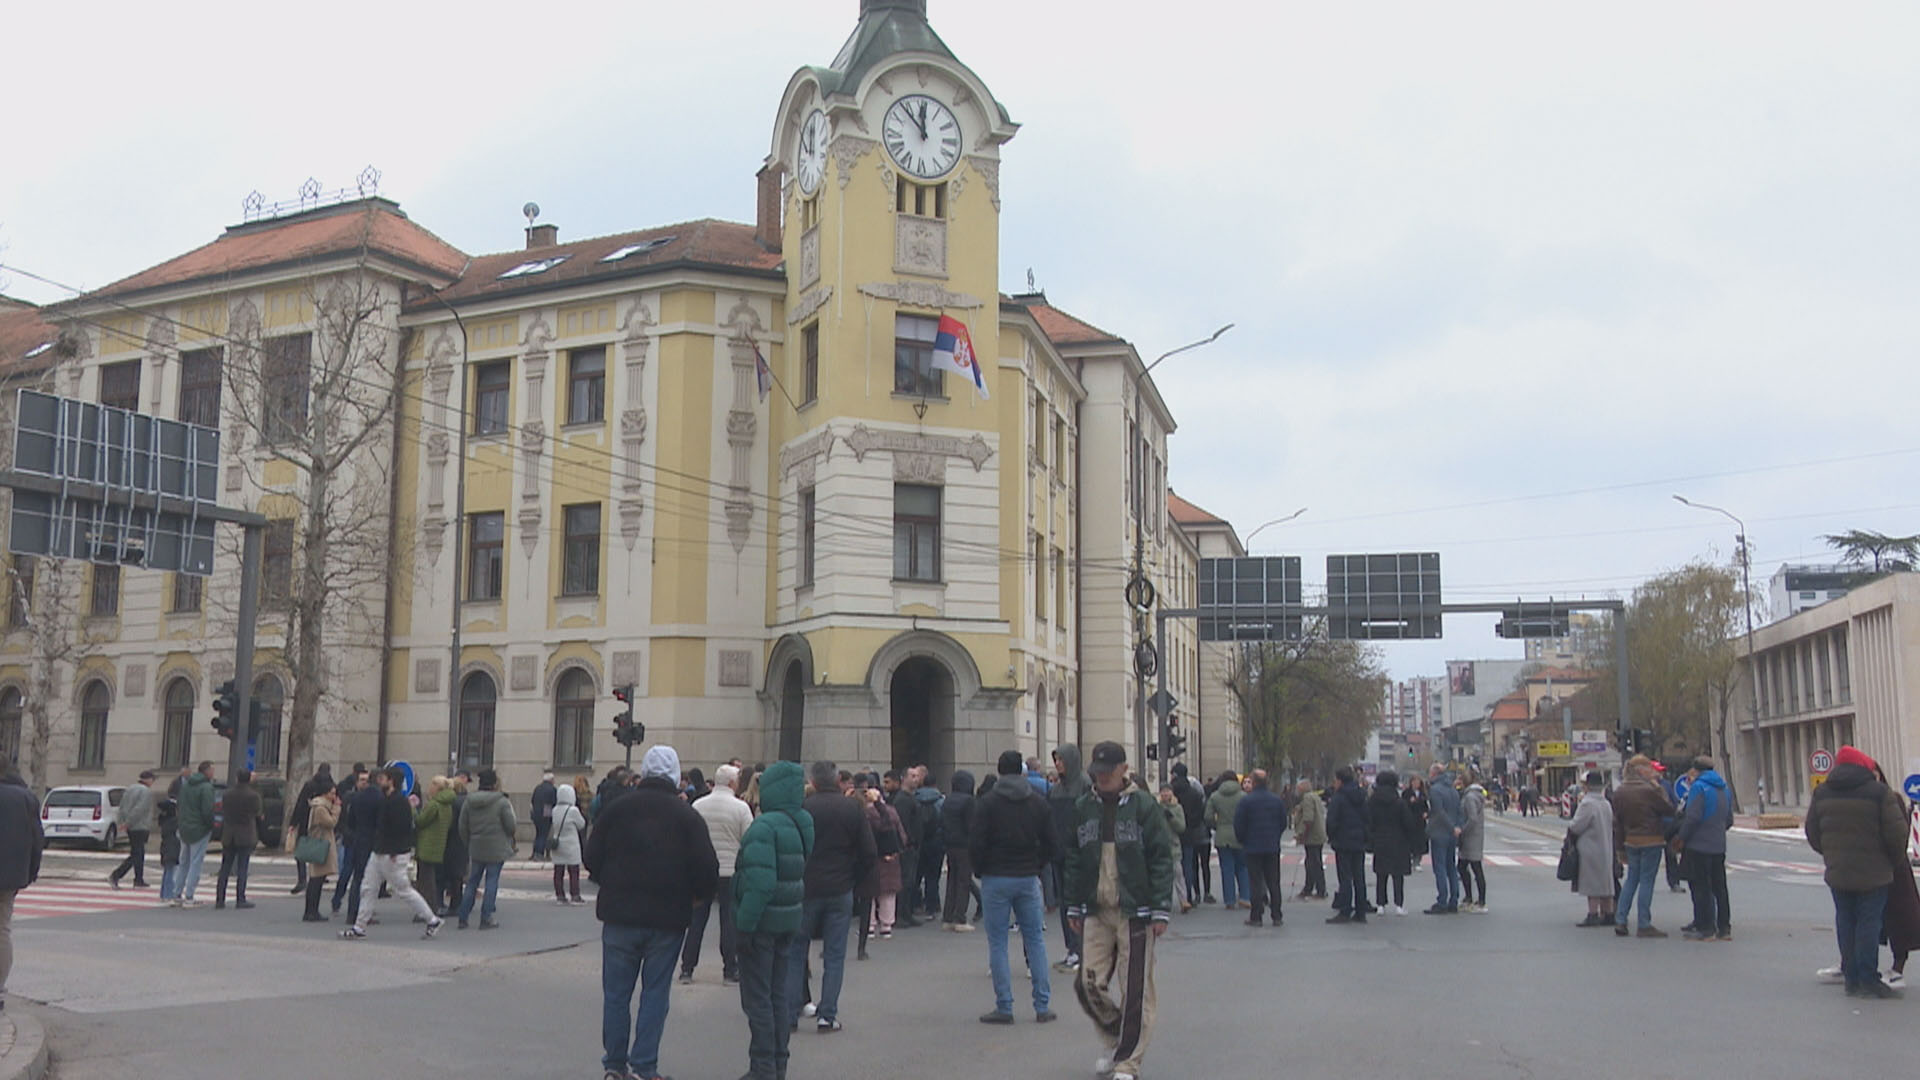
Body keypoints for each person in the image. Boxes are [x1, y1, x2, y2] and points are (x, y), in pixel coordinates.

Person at [583, 745, 718, 1080]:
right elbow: (707, 867)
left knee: (616, 994)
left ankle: (614, 1064)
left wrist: (608, 882)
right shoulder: (687, 816)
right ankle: (644, 1066)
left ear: (643, 773)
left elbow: (591, 856)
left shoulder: (617, 809)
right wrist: (697, 897)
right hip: (667, 919)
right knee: (655, 993)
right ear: (675, 776)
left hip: (619, 915)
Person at [1063, 742, 1174, 1080]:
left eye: (1108, 771)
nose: (1102, 777)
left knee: (1135, 987)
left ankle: (1127, 1061)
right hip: (1097, 908)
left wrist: (1159, 909)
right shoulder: (1084, 807)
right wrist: (1074, 903)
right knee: (1087, 983)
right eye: (1097, 771)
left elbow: (1160, 858)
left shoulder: (1143, 806)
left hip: (1135, 909)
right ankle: (1117, 1035)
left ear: (1123, 770)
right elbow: (1073, 858)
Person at [732, 760, 813, 1080]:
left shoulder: (764, 828)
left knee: (758, 1000)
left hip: (762, 922)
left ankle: (763, 1067)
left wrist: (744, 926)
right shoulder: (802, 822)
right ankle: (779, 1063)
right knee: (778, 995)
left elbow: (760, 883)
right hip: (789, 916)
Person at [1806, 745, 1908, 998]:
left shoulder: (1822, 793)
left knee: (1846, 921)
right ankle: (1868, 978)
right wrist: (1891, 861)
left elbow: (1812, 832)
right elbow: (1897, 835)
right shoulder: (1879, 793)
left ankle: (1850, 977)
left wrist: (1830, 854)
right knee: (1869, 924)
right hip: (1874, 873)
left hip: (1839, 872)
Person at [788, 760, 875, 1035]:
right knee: (835, 955)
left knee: (796, 951)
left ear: (813, 782)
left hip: (806, 886)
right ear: (839, 781)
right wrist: (853, 877)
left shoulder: (804, 808)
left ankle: (791, 1011)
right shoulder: (852, 808)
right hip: (840, 887)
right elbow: (869, 852)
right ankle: (828, 1015)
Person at [971, 749, 1057, 1024]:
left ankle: (1005, 1006)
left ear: (999, 770)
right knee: (1035, 940)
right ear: (1022, 772)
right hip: (1027, 876)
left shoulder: (987, 803)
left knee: (998, 942)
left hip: (996, 876)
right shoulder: (1037, 802)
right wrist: (1036, 864)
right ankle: (1042, 1006)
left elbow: (977, 842)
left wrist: (980, 868)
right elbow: (1052, 844)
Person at [340, 767, 442, 939]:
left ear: (391, 781)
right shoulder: (387, 799)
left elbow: (403, 828)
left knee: (403, 890)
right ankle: (359, 926)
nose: (380, 781)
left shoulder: (399, 802)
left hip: (392, 854)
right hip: (380, 851)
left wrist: (395, 850)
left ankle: (432, 919)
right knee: (368, 887)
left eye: (384, 778)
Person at [684, 763, 752, 983]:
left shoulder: (698, 805)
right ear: (733, 783)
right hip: (730, 869)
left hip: (703, 869)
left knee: (696, 920)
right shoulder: (741, 808)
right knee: (728, 921)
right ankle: (730, 968)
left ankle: (687, 967)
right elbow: (748, 839)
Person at [1610, 755, 1675, 937]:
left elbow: (1618, 822)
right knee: (1647, 881)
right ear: (1640, 771)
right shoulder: (1649, 790)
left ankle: (1621, 920)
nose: (1652, 772)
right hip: (1651, 839)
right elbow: (1669, 808)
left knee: (1632, 880)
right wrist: (1658, 787)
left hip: (1631, 840)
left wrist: (1620, 847)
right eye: (1649, 769)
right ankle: (1644, 923)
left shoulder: (1621, 791)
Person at [0, 763, 43, 1011]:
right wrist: (30, 872)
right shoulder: (26, 798)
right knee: (3, 931)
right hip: (10, 877)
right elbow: (37, 840)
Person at [1677, 756, 1733, 941]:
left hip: (1699, 845)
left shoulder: (1698, 787)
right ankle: (1724, 927)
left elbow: (1693, 817)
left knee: (1701, 886)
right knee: (1720, 887)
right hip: (1719, 845)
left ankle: (1706, 927)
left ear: (1696, 769)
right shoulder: (1724, 788)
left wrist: (1681, 838)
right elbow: (1729, 819)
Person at [456, 768, 518, 930]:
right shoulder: (501, 802)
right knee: (492, 881)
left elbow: (462, 826)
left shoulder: (469, 801)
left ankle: (463, 917)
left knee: (472, 882)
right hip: (496, 848)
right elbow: (511, 826)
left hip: (476, 847)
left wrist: (469, 842)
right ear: (494, 783)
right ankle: (486, 917)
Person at [1047, 745, 1091, 971]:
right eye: (1055, 760)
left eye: (1061, 760)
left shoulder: (1084, 785)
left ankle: (1082, 949)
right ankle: (1072, 948)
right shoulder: (1056, 789)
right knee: (1065, 902)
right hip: (1060, 853)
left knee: (1078, 902)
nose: (1057, 764)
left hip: (1080, 854)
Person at [1234, 769, 1288, 926]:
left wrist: (1243, 840)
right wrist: (1275, 836)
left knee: (1255, 882)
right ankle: (1277, 915)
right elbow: (1283, 822)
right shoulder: (1276, 800)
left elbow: (1239, 824)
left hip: (1252, 847)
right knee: (1273, 881)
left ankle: (1256, 916)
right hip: (1272, 846)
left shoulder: (1246, 801)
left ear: (1254, 782)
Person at [858, 784, 906, 953]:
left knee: (870, 894)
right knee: (888, 893)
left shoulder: (865, 813)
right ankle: (886, 925)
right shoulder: (892, 811)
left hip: (872, 857)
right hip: (891, 857)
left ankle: (869, 926)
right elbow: (902, 835)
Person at [1568, 770, 1616, 927]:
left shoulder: (1587, 803)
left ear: (1587, 786)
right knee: (1606, 881)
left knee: (1592, 883)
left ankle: (1593, 914)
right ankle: (1609, 913)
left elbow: (1576, 826)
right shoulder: (1606, 803)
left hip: (1590, 847)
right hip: (1606, 846)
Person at [1365, 771, 1416, 917]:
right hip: (1398, 841)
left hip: (1380, 840)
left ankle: (1381, 904)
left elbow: (1368, 821)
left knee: (1381, 874)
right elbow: (1408, 823)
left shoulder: (1372, 802)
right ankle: (1399, 904)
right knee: (1397, 874)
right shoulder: (1399, 802)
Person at [334, 768, 382, 922]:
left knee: (356, 878)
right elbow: (381, 823)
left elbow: (351, 821)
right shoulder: (379, 798)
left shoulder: (356, 798)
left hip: (356, 840)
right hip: (371, 842)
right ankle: (364, 913)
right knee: (369, 881)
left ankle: (352, 913)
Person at [1326, 768, 1371, 924]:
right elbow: (1367, 817)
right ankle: (1360, 911)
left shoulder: (1339, 797)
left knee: (1345, 877)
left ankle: (1345, 910)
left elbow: (1332, 820)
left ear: (1340, 780)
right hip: (1359, 840)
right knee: (1359, 877)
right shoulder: (1361, 795)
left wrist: (1332, 837)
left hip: (1343, 841)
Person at [215, 768, 262, 910]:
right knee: (242, 867)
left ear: (237, 778)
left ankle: (220, 899)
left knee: (225, 868)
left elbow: (224, 810)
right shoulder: (253, 796)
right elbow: (256, 812)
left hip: (229, 833)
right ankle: (240, 898)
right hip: (245, 833)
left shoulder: (227, 794)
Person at [881, 769, 922, 930]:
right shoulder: (903, 800)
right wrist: (908, 842)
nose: (916, 779)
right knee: (905, 881)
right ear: (903, 779)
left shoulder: (909, 798)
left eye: (917, 776)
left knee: (909, 881)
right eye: (912, 776)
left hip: (911, 846)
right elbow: (902, 824)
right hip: (907, 847)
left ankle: (906, 913)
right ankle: (901, 914)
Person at [172, 761, 216, 908]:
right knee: (195, 862)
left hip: (184, 827)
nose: (213, 772)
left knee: (183, 862)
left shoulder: (186, 786)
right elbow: (207, 810)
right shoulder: (207, 788)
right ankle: (189, 895)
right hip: (199, 829)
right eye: (212, 769)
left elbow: (180, 805)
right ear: (207, 771)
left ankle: (177, 893)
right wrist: (211, 826)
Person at [941, 769, 978, 930]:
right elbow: (971, 826)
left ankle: (947, 917)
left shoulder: (948, 799)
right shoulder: (969, 801)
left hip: (950, 844)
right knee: (963, 881)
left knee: (952, 880)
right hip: (964, 845)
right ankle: (959, 918)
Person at [1205, 771, 1249, 909]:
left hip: (1222, 835)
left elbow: (1207, 817)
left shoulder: (1215, 796)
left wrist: (1216, 826)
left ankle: (1229, 900)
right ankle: (1245, 897)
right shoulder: (1243, 796)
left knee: (1227, 868)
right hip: (1240, 835)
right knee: (1243, 867)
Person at [1422, 765, 1461, 913]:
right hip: (1452, 834)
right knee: (1451, 867)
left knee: (1440, 867)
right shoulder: (1453, 790)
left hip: (1440, 832)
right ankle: (1454, 900)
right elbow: (1458, 811)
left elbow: (1439, 812)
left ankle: (1442, 900)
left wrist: (1451, 827)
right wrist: (1457, 827)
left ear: (1435, 774)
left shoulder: (1435, 790)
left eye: (1430, 772)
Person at [1169, 763, 1210, 905]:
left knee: (1172, 865)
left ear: (1174, 775)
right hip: (1190, 833)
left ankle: (1176, 897)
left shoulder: (1171, 792)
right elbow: (1200, 814)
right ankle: (1189, 895)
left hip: (1172, 833)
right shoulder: (1195, 793)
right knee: (1189, 864)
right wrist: (1191, 824)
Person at [413, 777, 454, 917]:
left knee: (425, 881)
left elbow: (420, 821)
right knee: (430, 879)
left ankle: (427, 910)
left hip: (426, 844)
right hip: (438, 844)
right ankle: (430, 907)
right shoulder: (447, 804)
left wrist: (413, 810)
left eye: (432, 784)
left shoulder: (434, 804)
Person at [109, 769, 156, 889]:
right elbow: (139, 809)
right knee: (137, 853)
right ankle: (117, 875)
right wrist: (128, 822)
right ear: (148, 780)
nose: (153, 782)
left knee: (138, 853)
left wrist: (123, 822)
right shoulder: (146, 792)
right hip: (140, 825)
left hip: (131, 826)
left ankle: (138, 879)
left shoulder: (129, 789)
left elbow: (122, 807)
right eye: (152, 779)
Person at [301, 777, 340, 922]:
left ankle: (312, 910)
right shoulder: (321, 808)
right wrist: (336, 810)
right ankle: (311, 911)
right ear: (324, 794)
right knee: (316, 880)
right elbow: (330, 823)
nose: (334, 797)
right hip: (320, 845)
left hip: (321, 843)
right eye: (332, 793)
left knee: (317, 878)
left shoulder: (320, 806)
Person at [914, 768, 945, 919]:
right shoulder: (941, 800)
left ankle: (914, 904)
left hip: (919, 841)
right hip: (936, 841)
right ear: (935, 784)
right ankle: (931, 907)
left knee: (916, 874)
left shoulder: (915, 798)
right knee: (933, 876)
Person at [551, 782, 588, 905]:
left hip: (558, 843)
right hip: (571, 843)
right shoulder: (573, 810)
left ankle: (560, 895)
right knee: (573, 871)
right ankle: (575, 895)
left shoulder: (555, 809)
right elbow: (581, 824)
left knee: (558, 871)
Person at [440, 773, 471, 916]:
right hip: (463, 841)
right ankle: (458, 903)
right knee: (458, 875)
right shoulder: (467, 801)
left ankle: (450, 904)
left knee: (448, 874)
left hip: (451, 840)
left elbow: (449, 823)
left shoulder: (452, 803)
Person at [1292, 780, 1328, 900]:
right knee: (1312, 863)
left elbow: (1308, 818)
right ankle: (1310, 888)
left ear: (1302, 789)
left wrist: (1301, 834)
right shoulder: (1315, 797)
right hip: (1318, 835)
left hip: (1312, 836)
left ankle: (1319, 890)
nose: (1296, 790)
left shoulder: (1307, 799)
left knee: (1314, 863)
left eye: (1298, 788)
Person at [1458, 781, 1488, 913]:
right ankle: (1471, 898)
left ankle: (1479, 901)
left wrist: (1463, 830)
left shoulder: (1470, 797)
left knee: (1474, 868)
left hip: (1471, 837)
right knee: (1466, 867)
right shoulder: (1476, 796)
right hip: (1475, 836)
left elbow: (1472, 818)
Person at [156, 790, 181, 903]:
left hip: (166, 848)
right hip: (173, 848)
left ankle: (164, 893)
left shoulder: (164, 821)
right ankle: (168, 894)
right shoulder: (174, 822)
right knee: (171, 872)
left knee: (167, 871)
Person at [1403, 774, 1431, 871]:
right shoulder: (1407, 793)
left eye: (1418, 782)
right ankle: (1409, 860)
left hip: (1420, 822)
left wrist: (1426, 813)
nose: (1416, 784)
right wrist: (1409, 802)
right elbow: (1403, 805)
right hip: (1410, 821)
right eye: (1414, 782)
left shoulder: (1423, 794)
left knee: (1420, 842)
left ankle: (1417, 861)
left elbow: (1426, 807)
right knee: (1410, 842)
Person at [531, 771, 558, 861]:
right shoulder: (552, 789)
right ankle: (539, 853)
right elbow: (554, 802)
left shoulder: (537, 788)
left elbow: (533, 800)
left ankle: (535, 852)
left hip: (536, 813)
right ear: (551, 780)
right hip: (546, 813)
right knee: (544, 834)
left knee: (538, 834)